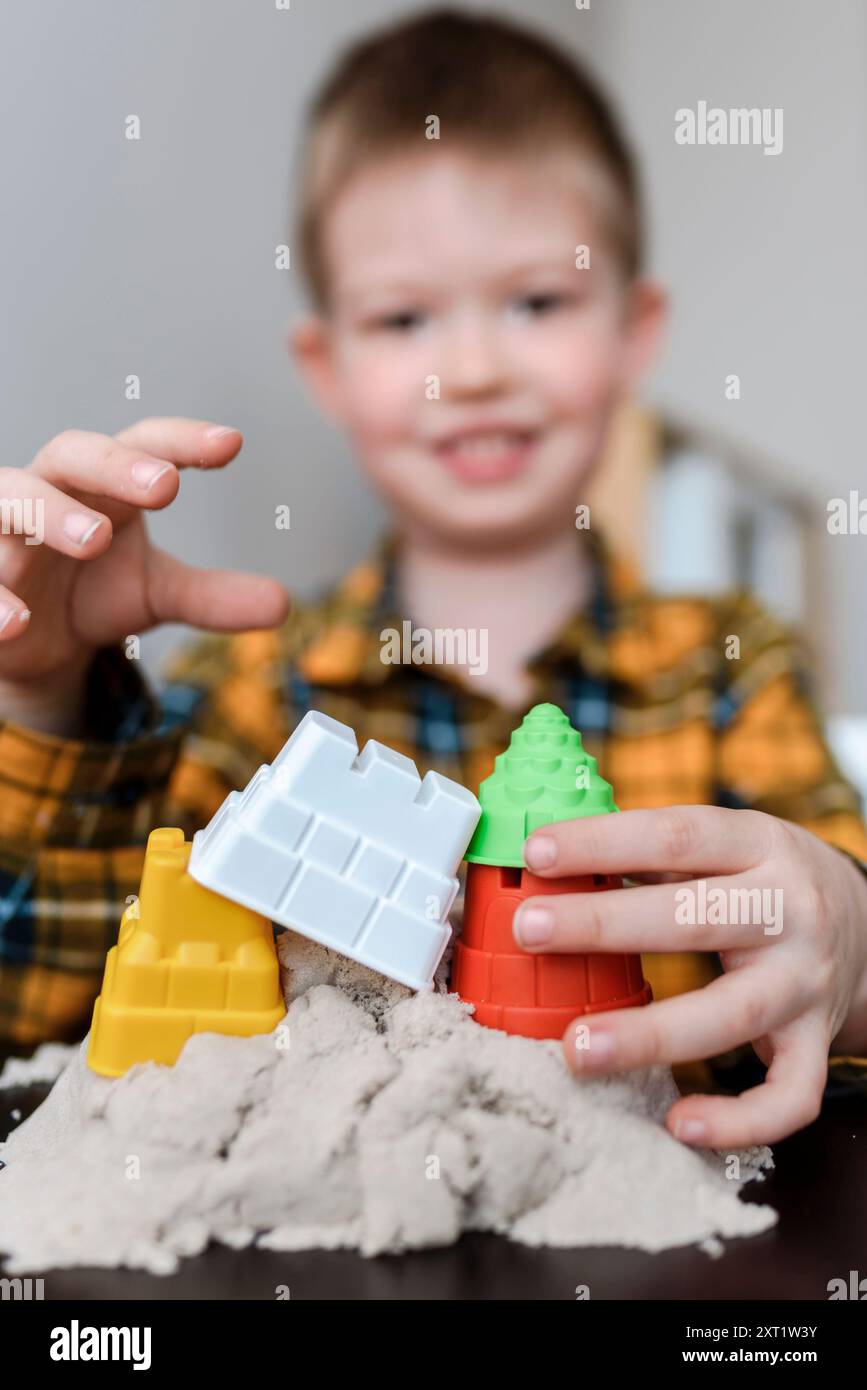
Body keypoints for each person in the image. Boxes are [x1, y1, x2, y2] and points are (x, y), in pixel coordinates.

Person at [1, 9, 865, 1150]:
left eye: (538, 302)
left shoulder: (728, 668)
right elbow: (47, 1001)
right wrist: (43, 697)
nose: (470, 368)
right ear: (329, 366)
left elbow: (826, 953)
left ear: (633, 331)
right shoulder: (250, 691)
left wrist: (850, 944)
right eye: (405, 316)